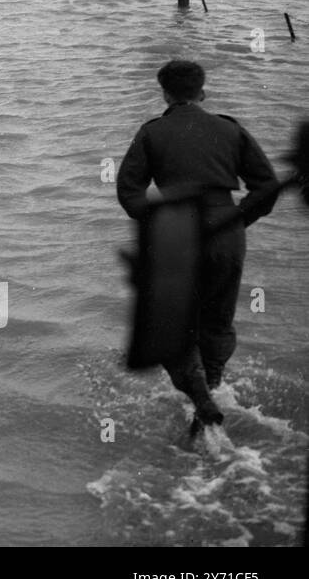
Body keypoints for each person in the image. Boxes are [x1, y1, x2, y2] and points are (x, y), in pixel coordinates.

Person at [116, 59, 281, 435]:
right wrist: (239, 218)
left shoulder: (151, 133)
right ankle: (212, 393)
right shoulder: (229, 129)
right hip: (226, 232)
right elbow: (267, 187)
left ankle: (200, 398)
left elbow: (128, 190)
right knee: (217, 320)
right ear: (202, 92)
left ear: (165, 93)